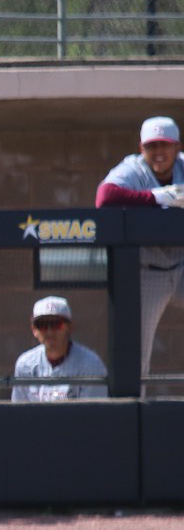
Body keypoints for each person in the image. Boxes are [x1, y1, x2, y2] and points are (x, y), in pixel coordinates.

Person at [95, 116, 184, 376]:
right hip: (149, 271)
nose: (158, 153)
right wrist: (156, 197)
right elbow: (105, 197)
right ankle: (132, 408)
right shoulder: (133, 169)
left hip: (182, 264)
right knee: (136, 352)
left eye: (164, 145)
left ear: (176, 147)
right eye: (151, 146)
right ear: (141, 148)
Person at [12, 296, 108, 402]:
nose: (49, 331)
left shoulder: (91, 364)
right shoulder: (25, 364)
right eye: (42, 325)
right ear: (34, 330)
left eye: (56, 324)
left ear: (70, 327)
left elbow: (94, 414)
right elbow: (19, 412)